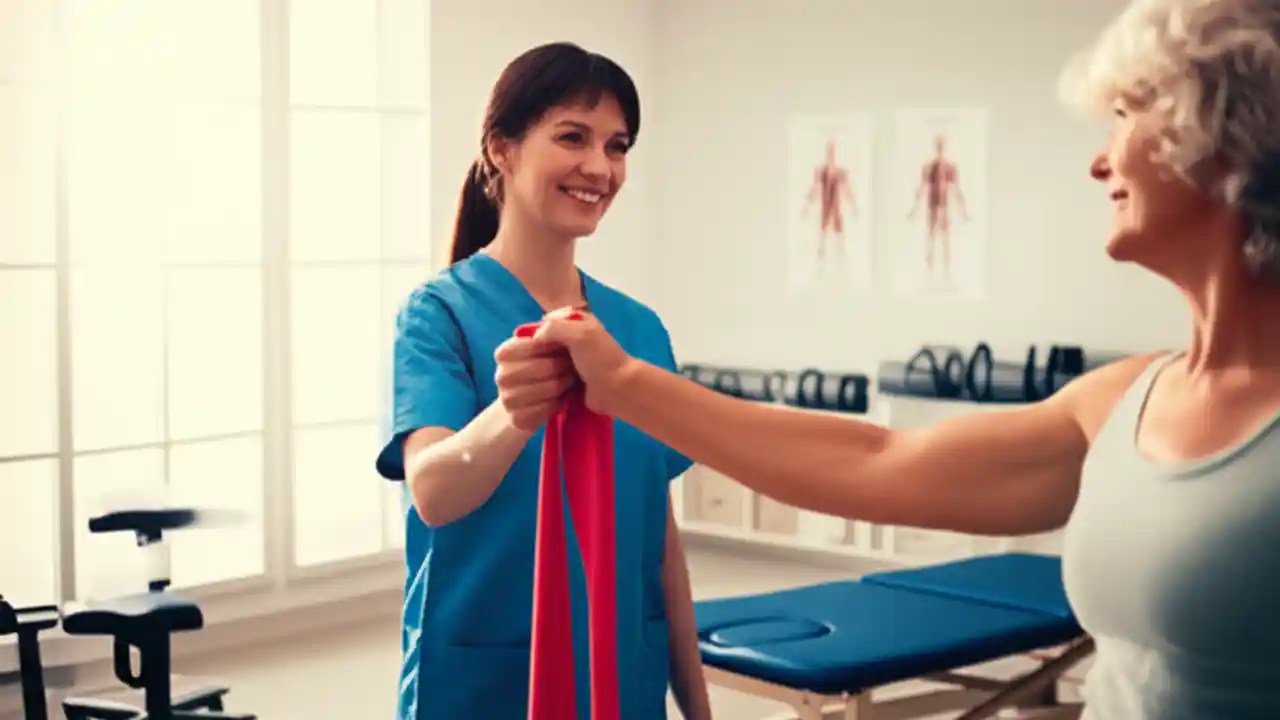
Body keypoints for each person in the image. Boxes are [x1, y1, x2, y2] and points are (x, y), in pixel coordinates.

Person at [495, 1, 1280, 718]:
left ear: (1221, 141)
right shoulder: (1120, 401)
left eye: (1123, 119)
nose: (1099, 162)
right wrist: (626, 385)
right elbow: (876, 460)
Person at [374, 42, 711, 720]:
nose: (601, 167)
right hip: (483, 687)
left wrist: (698, 710)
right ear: (502, 146)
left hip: (622, 685)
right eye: (572, 137)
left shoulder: (638, 331)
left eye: (617, 146)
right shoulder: (439, 314)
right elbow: (433, 490)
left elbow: (660, 542)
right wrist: (514, 411)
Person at [906, 134, 968, 284]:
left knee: (945, 236)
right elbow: (921, 188)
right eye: (938, 144)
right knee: (931, 235)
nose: (940, 146)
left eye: (942, 144)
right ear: (936, 146)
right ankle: (930, 267)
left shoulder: (949, 167)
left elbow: (956, 189)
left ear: (944, 146)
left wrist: (963, 210)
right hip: (933, 204)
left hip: (944, 206)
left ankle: (947, 268)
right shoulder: (929, 167)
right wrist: (914, 210)